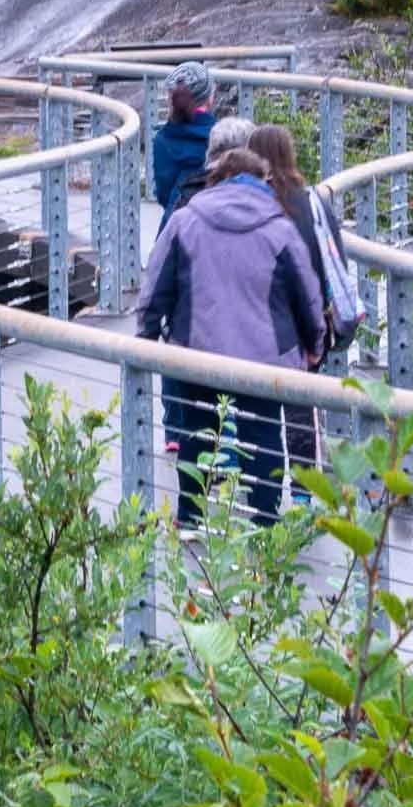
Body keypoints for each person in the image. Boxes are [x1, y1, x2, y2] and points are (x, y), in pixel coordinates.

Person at [137, 147, 328, 527]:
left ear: (216, 177)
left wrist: (144, 337)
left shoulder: (185, 220)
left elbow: (156, 287)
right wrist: (314, 347)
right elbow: (307, 296)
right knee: (265, 439)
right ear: (263, 181)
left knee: (196, 433)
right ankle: (265, 524)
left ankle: (190, 519)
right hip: (267, 358)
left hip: (197, 353)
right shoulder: (281, 228)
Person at [247, 124, 364, 488]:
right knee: (301, 409)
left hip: (259, 318)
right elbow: (335, 259)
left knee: (258, 410)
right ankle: (303, 491)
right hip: (308, 317)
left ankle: (262, 492)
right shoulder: (313, 201)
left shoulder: (250, 202)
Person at [150, 61, 216, 232]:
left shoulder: (163, 139)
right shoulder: (222, 135)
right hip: (217, 228)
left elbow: (164, 194)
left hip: (175, 228)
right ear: (210, 98)